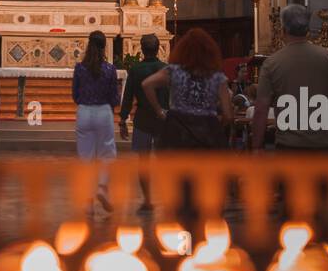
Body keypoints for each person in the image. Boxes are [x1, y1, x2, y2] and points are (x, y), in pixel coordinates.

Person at [251, 4, 328, 151]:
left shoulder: (272, 63)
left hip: (290, 146)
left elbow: (261, 108)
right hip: (325, 145)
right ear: (307, 30)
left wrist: (256, 146)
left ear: (283, 30)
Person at [142, 27, 232, 148]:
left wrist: (159, 110)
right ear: (209, 52)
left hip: (177, 129)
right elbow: (227, 114)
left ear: (183, 50)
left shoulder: (174, 71)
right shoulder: (217, 77)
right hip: (207, 130)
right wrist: (217, 124)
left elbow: (147, 84)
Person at [72, 31, 120, 213]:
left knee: (85, 157)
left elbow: (75, 95)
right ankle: (101, 187)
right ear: (104, 46)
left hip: (84, 111)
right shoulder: (109, 69)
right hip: (103, 111)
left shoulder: (80, 68)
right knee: (107, 154)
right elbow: (114, 98)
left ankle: (87, 202)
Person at [119, 34, 167, 211]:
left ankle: (147, 199)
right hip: (163, 119)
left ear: (141, 48)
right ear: (158, 48)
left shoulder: (136, 70)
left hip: (143, 118)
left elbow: (128, 97)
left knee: (143, 161)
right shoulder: (166, 68)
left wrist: (123, 119)